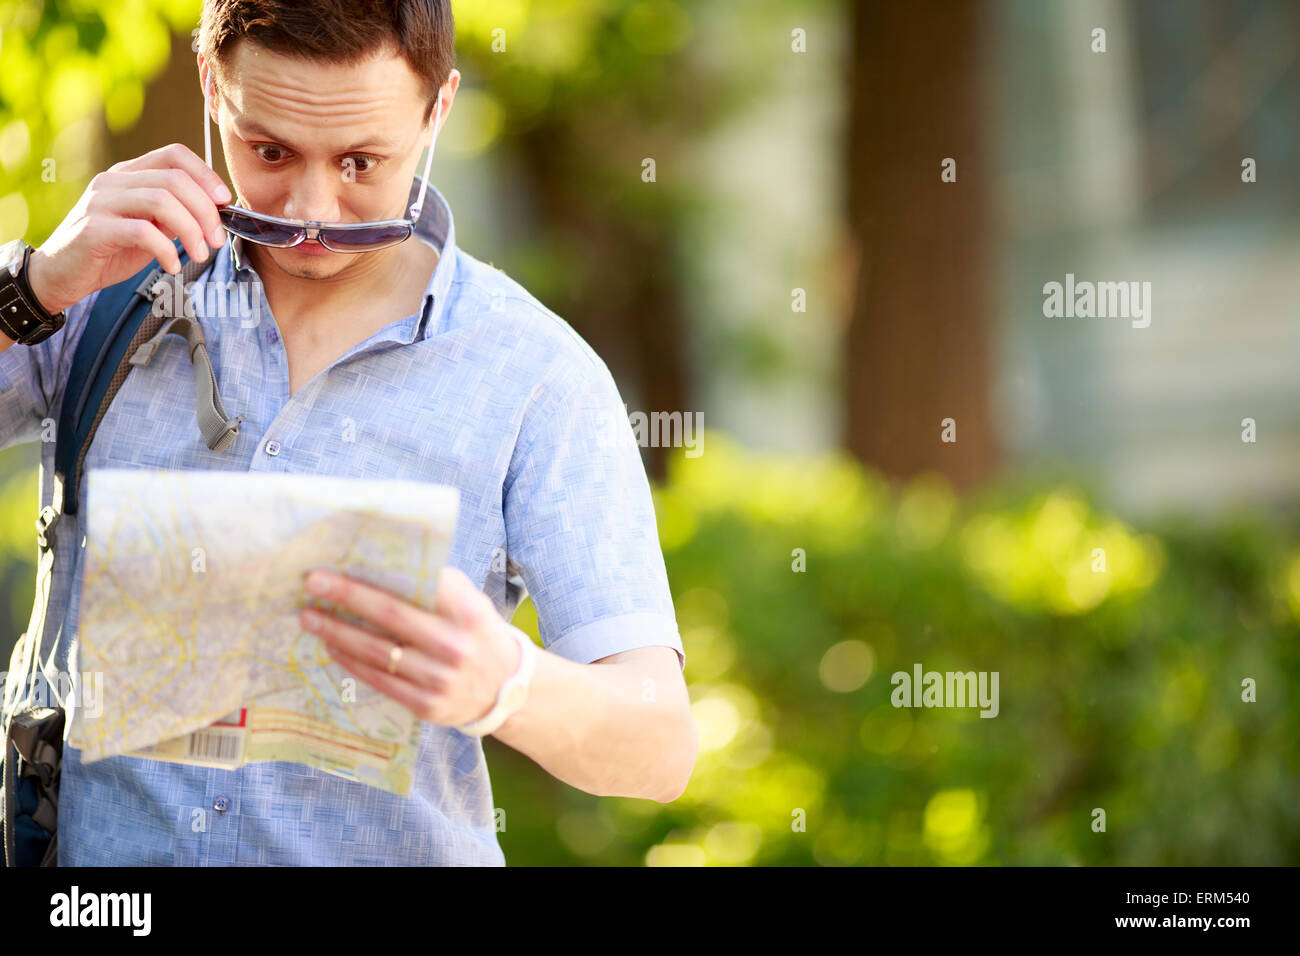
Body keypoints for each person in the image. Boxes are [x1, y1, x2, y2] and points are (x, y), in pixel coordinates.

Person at [0, 0, 694, 865]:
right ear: (215, 89)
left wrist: (507, 686)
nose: (310, 214)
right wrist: (32, 286)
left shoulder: (537, 376)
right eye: (270, 152)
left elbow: (661, 748)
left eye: (362, 161)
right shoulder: (98, 293)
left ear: (438, 109)